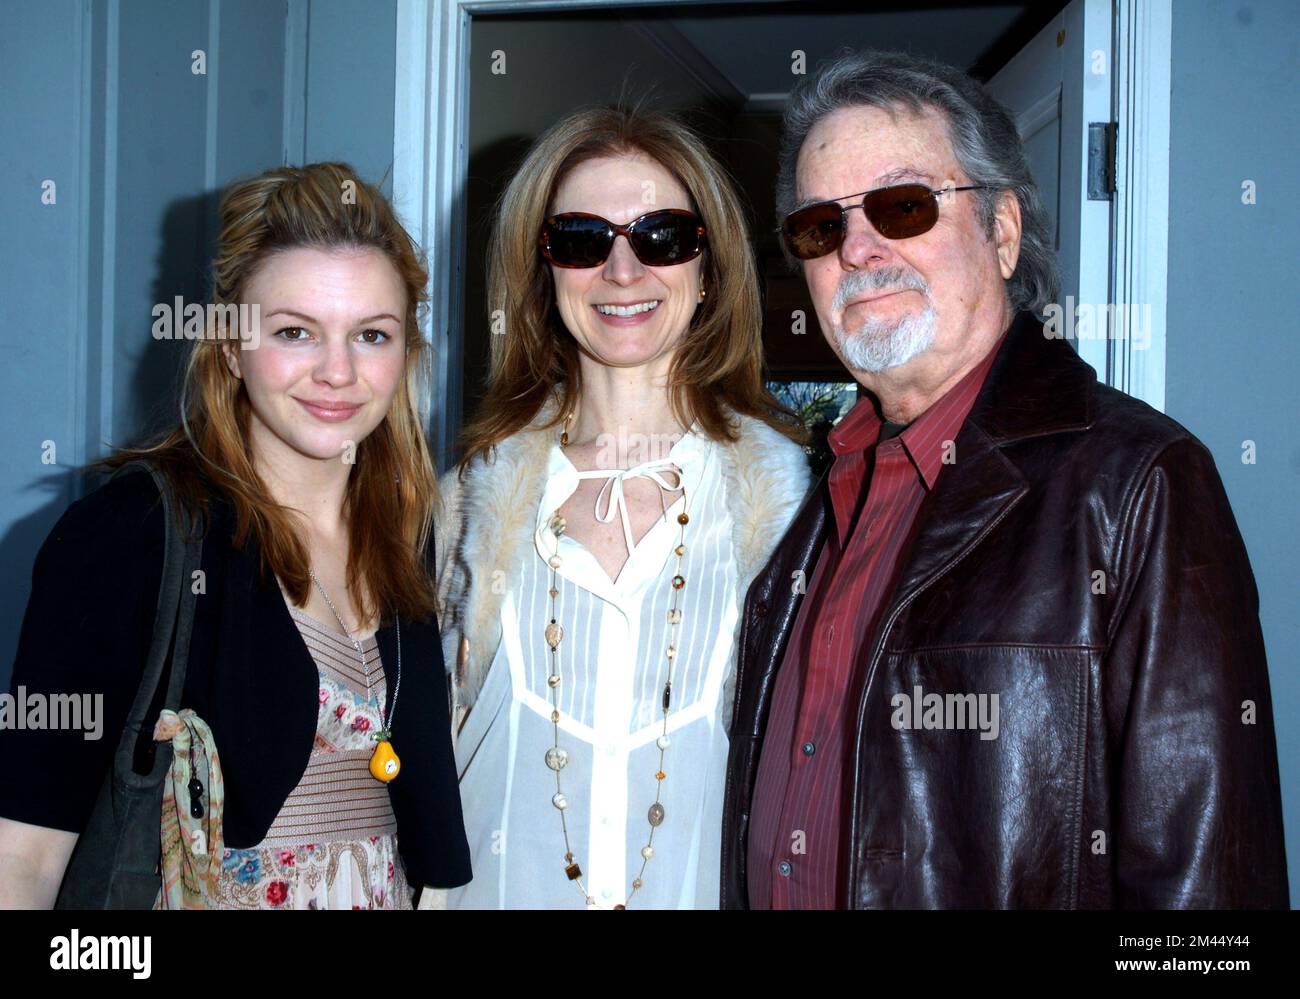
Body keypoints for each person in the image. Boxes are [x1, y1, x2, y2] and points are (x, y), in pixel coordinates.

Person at [725, 50, 1289, 909]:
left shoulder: (1138, 484)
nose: (858, 248)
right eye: (819, 225)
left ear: (1002, 230)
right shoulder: (815, 501)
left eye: (904, 204)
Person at [0, 162, 471, 909]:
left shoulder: (410, 531)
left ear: (405, 351)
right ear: (228, 346)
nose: (338, 372)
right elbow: (21, 858)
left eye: (372, 335)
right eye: (294, 332)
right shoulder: (133, 531)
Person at [428, 106, 811, 910]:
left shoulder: (793, 519)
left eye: (662, 236)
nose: (623, 269)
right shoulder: (462, 508)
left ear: (709, 268)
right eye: (581, 238)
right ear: (543, 270)